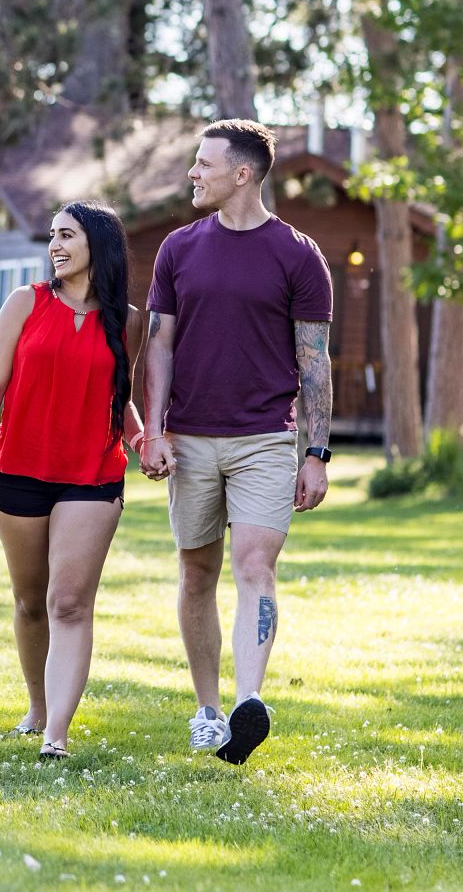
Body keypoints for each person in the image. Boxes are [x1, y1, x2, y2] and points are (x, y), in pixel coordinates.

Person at [139, 119, 334, 766]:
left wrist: (316, 451)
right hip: (191, 438)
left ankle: (249, 701)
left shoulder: (298, 256)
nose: (194, 174)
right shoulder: (178, 249)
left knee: (256, 565)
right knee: (198, 572)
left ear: (242, 173)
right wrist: (156, 427)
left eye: (203, 164)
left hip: (264, 442)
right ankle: (207, 709)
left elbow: (315, 362)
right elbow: (158, 344)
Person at [0, 201, 148, 761]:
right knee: (31, 601)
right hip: (18, 471)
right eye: (54, 236)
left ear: (98, 246)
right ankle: (36, 707)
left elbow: (122, 402)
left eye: (68, 235)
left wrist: (143, 442)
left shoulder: (128, 320)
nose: (56, 245)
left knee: (69, 603)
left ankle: (55, 734)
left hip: (93, 475)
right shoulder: (25, 304)